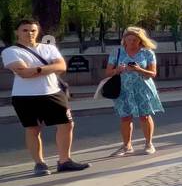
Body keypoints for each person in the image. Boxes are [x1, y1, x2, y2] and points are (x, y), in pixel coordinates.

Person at [3, 18, 90, 176]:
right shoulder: (11, 51)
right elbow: (23, 73)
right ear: (17, 32)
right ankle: (39, 163)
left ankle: (64, 161)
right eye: (25, 30)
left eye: (33, 30)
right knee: (33, 129)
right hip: (25, 96)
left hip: (53, 92)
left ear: (38, 31)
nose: (30, 33)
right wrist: (49, 67)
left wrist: (35, 69)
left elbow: (62, 66)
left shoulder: (48, 48)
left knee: (66, 124)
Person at [106, 26, 164, 155]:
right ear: (124, 40)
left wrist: (139, 69)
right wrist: (118, 70)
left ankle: (149, 144)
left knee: (145, 116)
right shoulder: (117, 52)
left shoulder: (147, 53)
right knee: (125, 117)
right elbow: (108, 72)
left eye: (134, 40)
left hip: (142, 88)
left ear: (140, 40)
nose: (131, 42)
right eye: (129, 39)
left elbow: (153, 73)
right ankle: (127, 146)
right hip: (123, 89)